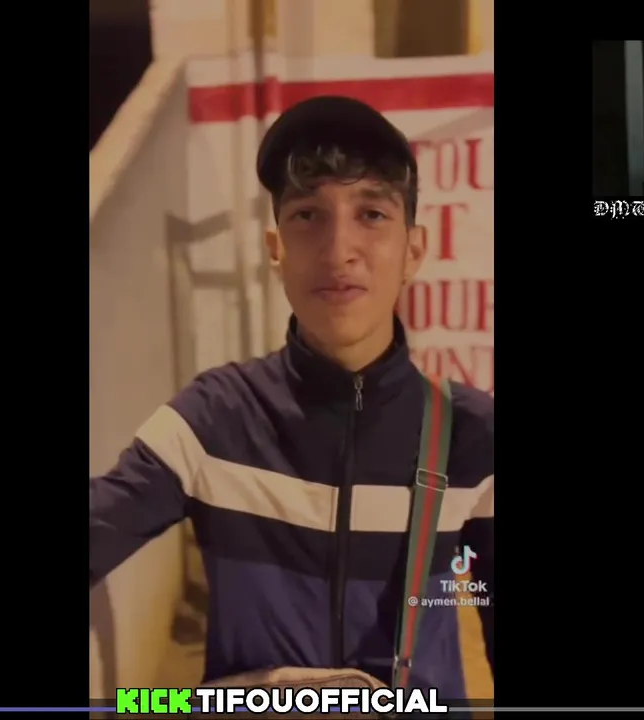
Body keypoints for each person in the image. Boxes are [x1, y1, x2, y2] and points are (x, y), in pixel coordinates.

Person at [89, 96, 494, 697]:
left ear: (413, 250)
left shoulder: (475, 437)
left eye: (372, 214)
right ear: (276, 248)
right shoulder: (214, 419)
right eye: (308, 215)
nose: (338, 250)